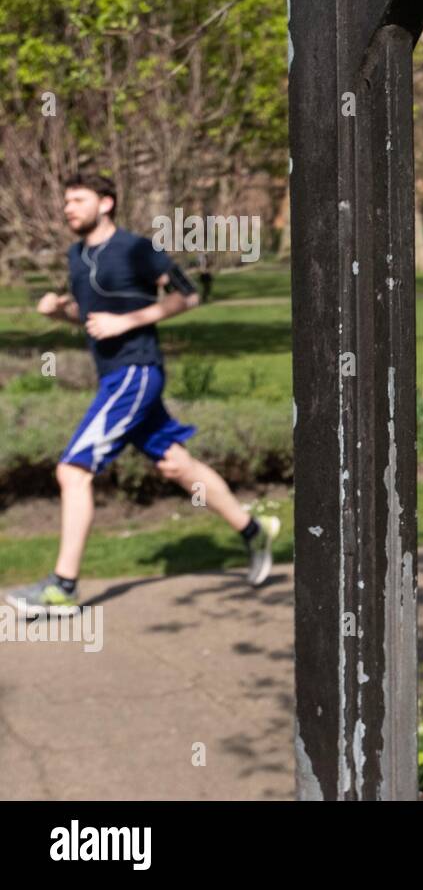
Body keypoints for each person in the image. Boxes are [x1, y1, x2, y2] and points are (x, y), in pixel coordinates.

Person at [4, 173, 280, 617]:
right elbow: (89, 317)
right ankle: (253, 530)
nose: (68, 208)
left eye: (78, 199)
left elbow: (186, 297)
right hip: (114, 375)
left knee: (73, 470)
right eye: (66, 201)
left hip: (136, 371)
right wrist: (61, 312)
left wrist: (128, 322)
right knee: (175, 464)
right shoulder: (77, 255)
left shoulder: (136, 248)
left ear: (106, 202)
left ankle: (63, 587)